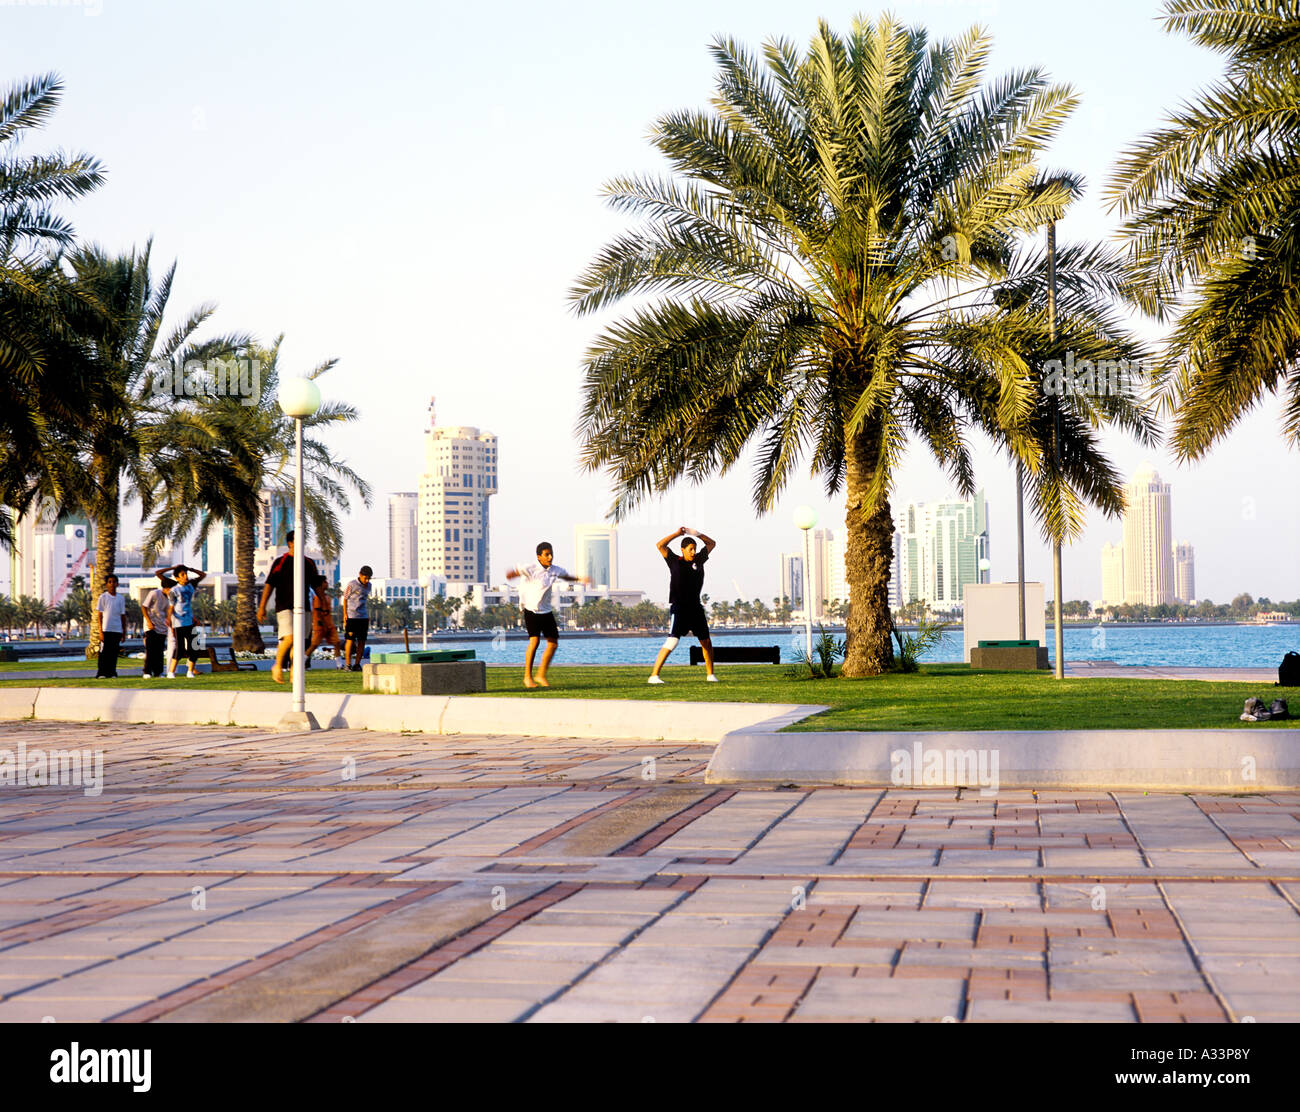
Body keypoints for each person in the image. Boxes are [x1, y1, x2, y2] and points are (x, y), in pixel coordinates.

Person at [505, 543, 589, 687]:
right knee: (534, 642)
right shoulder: (530, 568)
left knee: (553, 643)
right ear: (539, 557)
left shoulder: (555, 570)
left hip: (546, 611)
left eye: (551, 554)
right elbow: (516, 571)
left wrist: (580, 579)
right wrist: (512, 574)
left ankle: (541, 675)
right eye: (546, 554)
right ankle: (527, 677)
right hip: (531, 610)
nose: (550, 557)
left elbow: (567, 577)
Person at [648, 526, 718, 683]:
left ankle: (710, 675)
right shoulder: (674, 561)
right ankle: (654, 676)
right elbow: (660, 545)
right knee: (672, 640)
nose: (693, 552)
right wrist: (677, 534)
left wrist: (696, 534)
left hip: (695, 608)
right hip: (679, 608)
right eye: (690, 549)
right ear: (683, 550)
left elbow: (712, 544)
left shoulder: (699, 559)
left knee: (706, 641)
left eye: (695, 549)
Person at [256, 530, 327, 684]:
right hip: (284, 606)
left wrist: (324, 601)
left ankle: (295, 671)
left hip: (304, 607)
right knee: (290, 638)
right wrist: (261, 607)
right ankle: (278, 666)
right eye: (297, 539)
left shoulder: (309, 563)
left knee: (300, 642)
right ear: (290, 543)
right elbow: (269, 585)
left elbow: (316, 585)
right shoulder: (280, 562)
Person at [166, 565, 207, 678]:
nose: (185, 576)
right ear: (177, 578)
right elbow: (171, 607)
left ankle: (190, 671)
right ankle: (171, 672)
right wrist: (169, 619)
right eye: (182, 575)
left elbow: (203, 575)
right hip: (178, 623)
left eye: (186, 574)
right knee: (180, 649)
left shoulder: (190, 586)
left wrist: (191, 569)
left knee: (194, 647)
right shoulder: (173, 590)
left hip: (190, 621)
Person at [93, 575, 126, 678]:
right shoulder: (103, 597)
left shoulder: (121, 598)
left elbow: (123, 615)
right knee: (104, 653)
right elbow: (99, 615)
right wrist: (100, 631)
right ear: (107, 584)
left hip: (117, 629)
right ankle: (102, 673)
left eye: (114, 582)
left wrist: (124, 632)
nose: (112, 584)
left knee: (113, 653)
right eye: (110, 582)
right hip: (106, 629)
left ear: (117, 584)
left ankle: (112, 672)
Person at [141, 573, 172, 678]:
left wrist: (169, 621)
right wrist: (149, 621)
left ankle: (158, 672)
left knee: (159, 652)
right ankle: (147, 672)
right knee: (150, 650)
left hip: (162, 627)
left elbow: (168, 612)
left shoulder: (170, 599)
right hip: (151, 626)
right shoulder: (154, 593)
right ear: (166, 588)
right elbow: (144, 607)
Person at [342, 565, 373, 672]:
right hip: (352, 617)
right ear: (360, 575)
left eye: (369, 578)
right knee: (350, 640)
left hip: (363, 617)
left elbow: (364, 601)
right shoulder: (352, 584)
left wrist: (367, 616)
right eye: (365, 578)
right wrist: (345, 614)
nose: (367, 580)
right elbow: (345, 599)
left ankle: (357, 664)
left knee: (362, 641)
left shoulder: (369, 586)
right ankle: (347, 664)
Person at [306, 586, 344, 669]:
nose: (326, 584)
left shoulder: (327, 597)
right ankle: (302, 661)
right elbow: (318, 612)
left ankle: (339, 664)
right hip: (320, 626)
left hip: (329, 625)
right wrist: (321, 624)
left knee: (336, 643)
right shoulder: (317, 598)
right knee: (314, 645)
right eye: (325, 582)